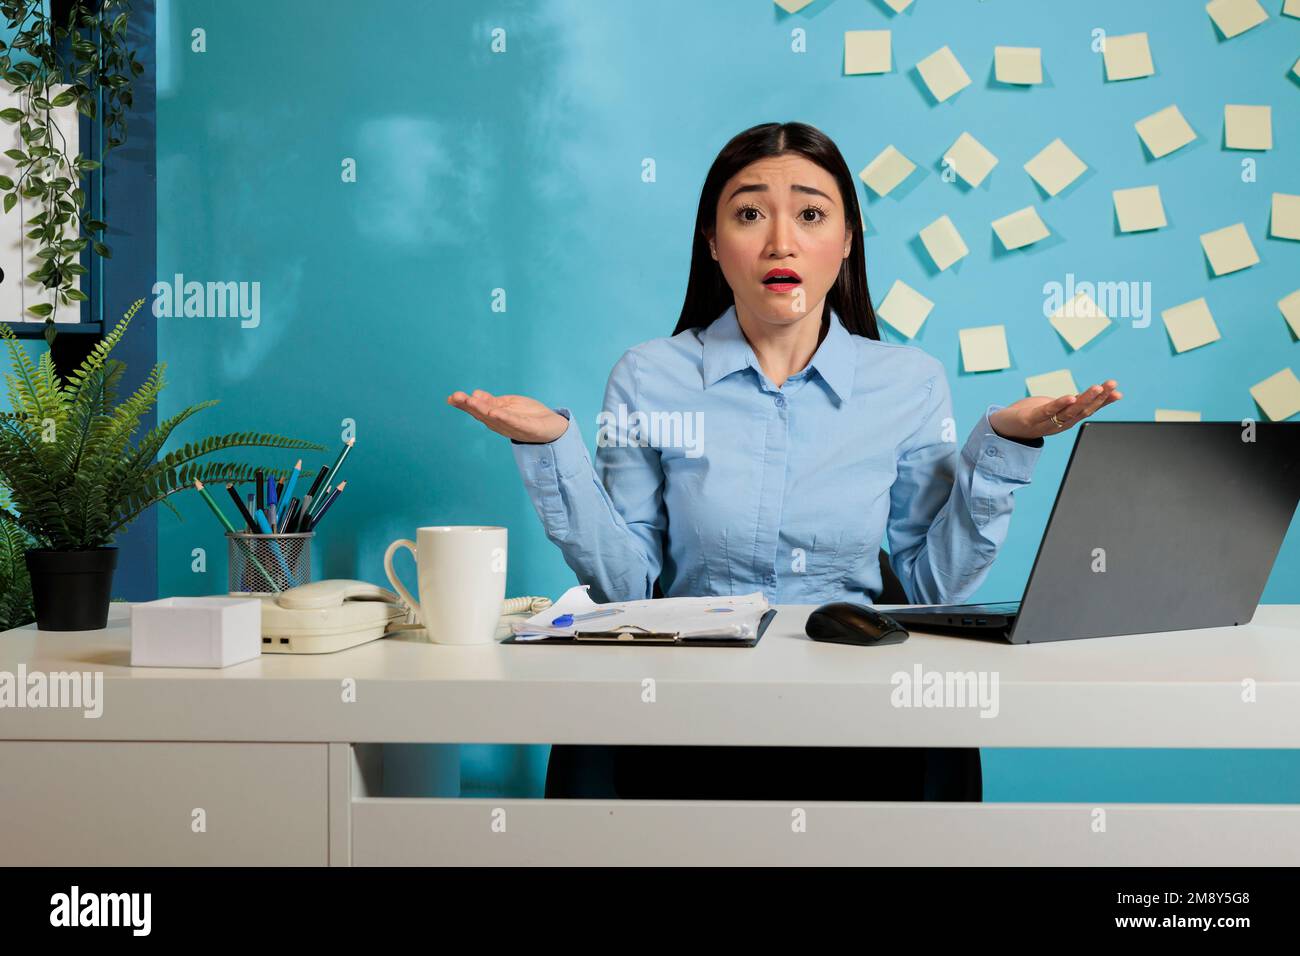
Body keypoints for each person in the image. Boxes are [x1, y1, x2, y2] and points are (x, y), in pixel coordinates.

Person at [448, 121, 1122, 801]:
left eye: (809, 214)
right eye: (748, 214)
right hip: (685, 715)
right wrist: (549, 449)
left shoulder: (907, 382)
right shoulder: (648, 377)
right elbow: (628, 589)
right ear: (712, 243)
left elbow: (931, 590)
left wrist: (1004, 446)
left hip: (857, 716)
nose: (780, 242)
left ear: (848, 240)